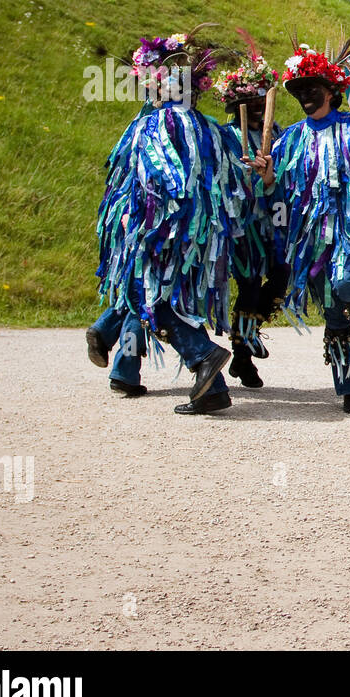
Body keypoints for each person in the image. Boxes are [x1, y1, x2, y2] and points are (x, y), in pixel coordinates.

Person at [247, 39, 350, 414]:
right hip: (311, 237)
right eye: (300, 91)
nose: (305, 96)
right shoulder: (292, 137)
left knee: (347, 282)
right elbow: (280, 191)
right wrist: (268, 175)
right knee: (334, 311)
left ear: (331, 92)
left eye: (312, 89)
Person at [95, 27, 246, 414]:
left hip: (160, 228)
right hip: (199, 234)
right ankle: (213, 390)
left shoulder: (156, 125)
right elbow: (233, 179)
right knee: (164, 296)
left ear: (160, 85)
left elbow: (153, 177)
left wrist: (142, 221)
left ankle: (203, 355)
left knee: (153, 297)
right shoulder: (208, 127)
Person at [214, 46, 290, 389]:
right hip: (242, 224)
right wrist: (250, 178)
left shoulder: (283, 135)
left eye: (264, 103)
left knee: (280, 278)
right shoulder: (227, 138)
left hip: (277, 221)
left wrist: (271, 180)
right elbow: (221, 181)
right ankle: (243, 358)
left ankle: (249, 333)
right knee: (247, 286)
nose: (260, 111)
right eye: (253, 105)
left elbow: (291, 176)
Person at [86, 91, 156, 383]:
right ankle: (123, 371)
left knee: (139, 289)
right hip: (144, 218)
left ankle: (105, 330)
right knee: (147, 295)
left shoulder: (141, 123)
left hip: (131, 214)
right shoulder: (161, 128)